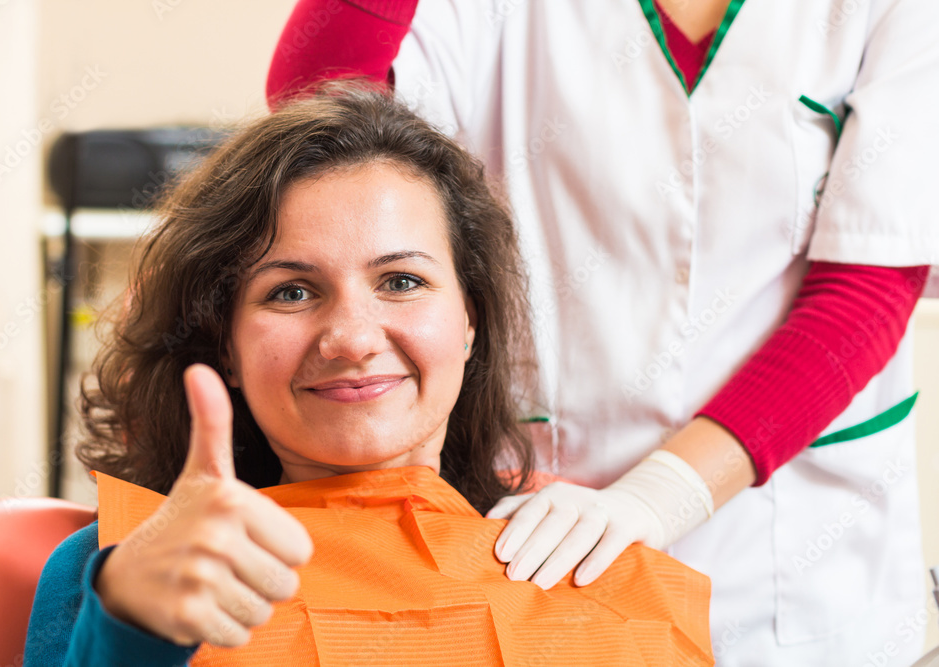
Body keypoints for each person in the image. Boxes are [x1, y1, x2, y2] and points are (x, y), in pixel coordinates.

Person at [265, 1, 939, 665]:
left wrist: (659, 495)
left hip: (792, 553)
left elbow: (867, 290)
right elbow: (326, 114)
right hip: (542, 539)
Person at [23, 84, 714, 667]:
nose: (352, 339)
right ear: (225, 345)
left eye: (402, 280)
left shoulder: (601, 565)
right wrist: (129, 628)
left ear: (469, 319)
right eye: (291, 291)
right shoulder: (123, 568)